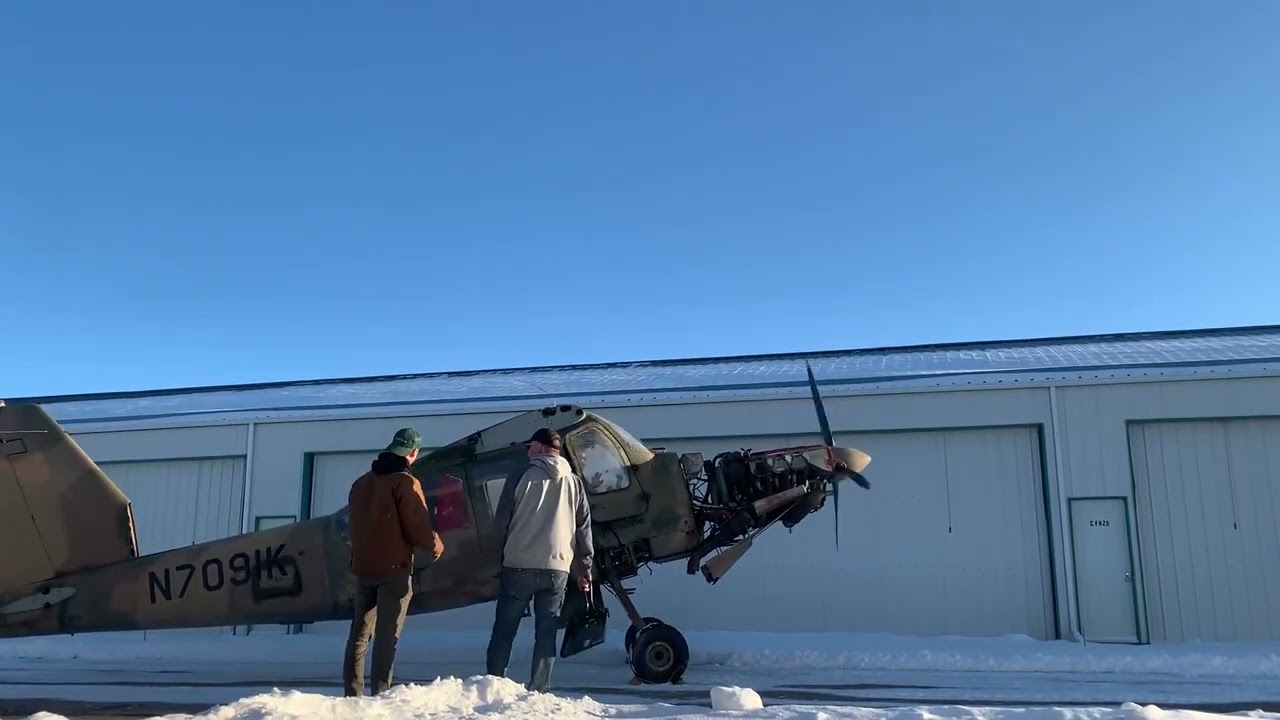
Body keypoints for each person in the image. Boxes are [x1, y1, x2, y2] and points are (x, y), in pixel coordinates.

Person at [485, 427, 594, 693]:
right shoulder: (575, 482)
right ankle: (539, 688)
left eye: (530, 445)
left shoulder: (520, 476)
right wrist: (585, 568)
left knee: (505, 628)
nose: (527, 449)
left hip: (518, 565)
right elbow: (584, 528)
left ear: (542, 448)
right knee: (546, 633)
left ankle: (494, 685)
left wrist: (495, 558)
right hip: (557, 568)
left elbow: (502, 521)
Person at [342, 427, 445, 697]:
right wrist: (435, 546)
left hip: (364, 568)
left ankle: (352, 694)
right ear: (413, 453)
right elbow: (417, 526)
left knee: (359, 635)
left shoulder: (361, 483)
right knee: (387, 636)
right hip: (394, 570)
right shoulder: (405, 482)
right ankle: (381, 693)